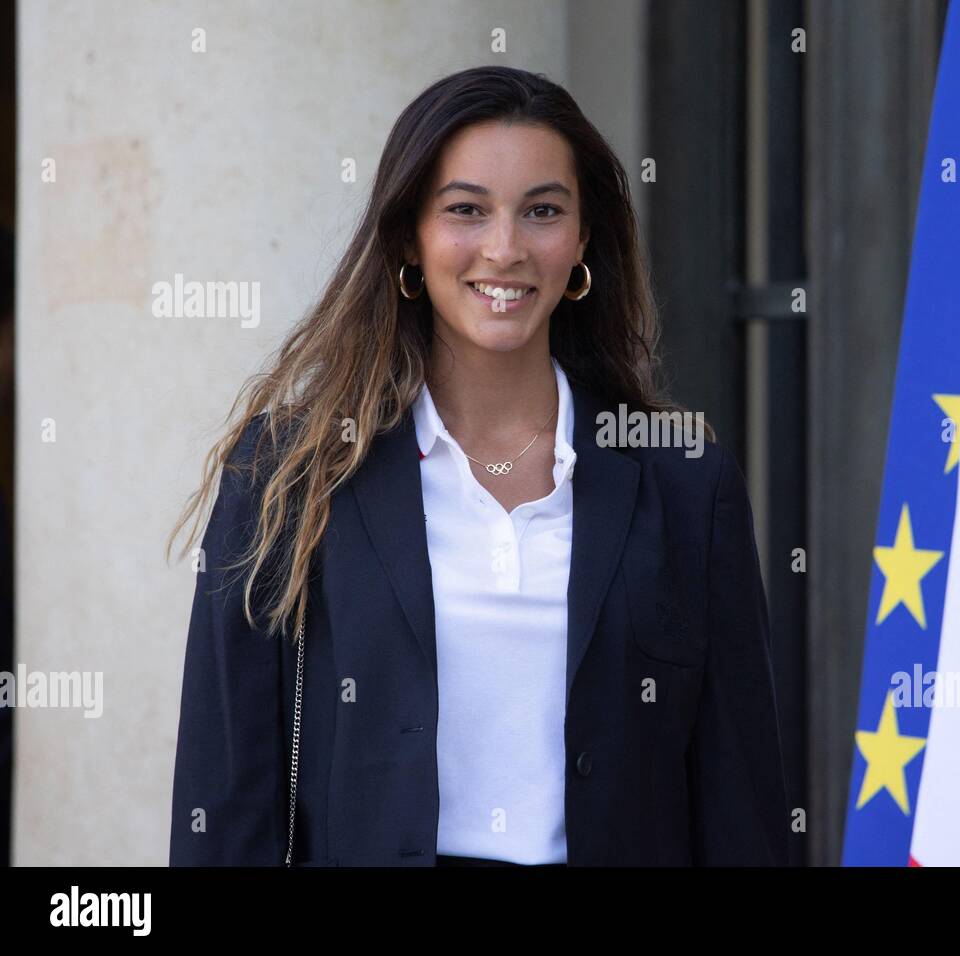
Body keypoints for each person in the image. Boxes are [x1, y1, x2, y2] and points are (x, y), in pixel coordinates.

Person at [166, 66, 790, 867]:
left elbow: (742, 806)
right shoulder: (290, 473)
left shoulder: (684, 479)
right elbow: (225, 804)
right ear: (408, 239)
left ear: (583, 239)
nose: (505, 248)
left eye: (542, 211)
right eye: (466, 210)